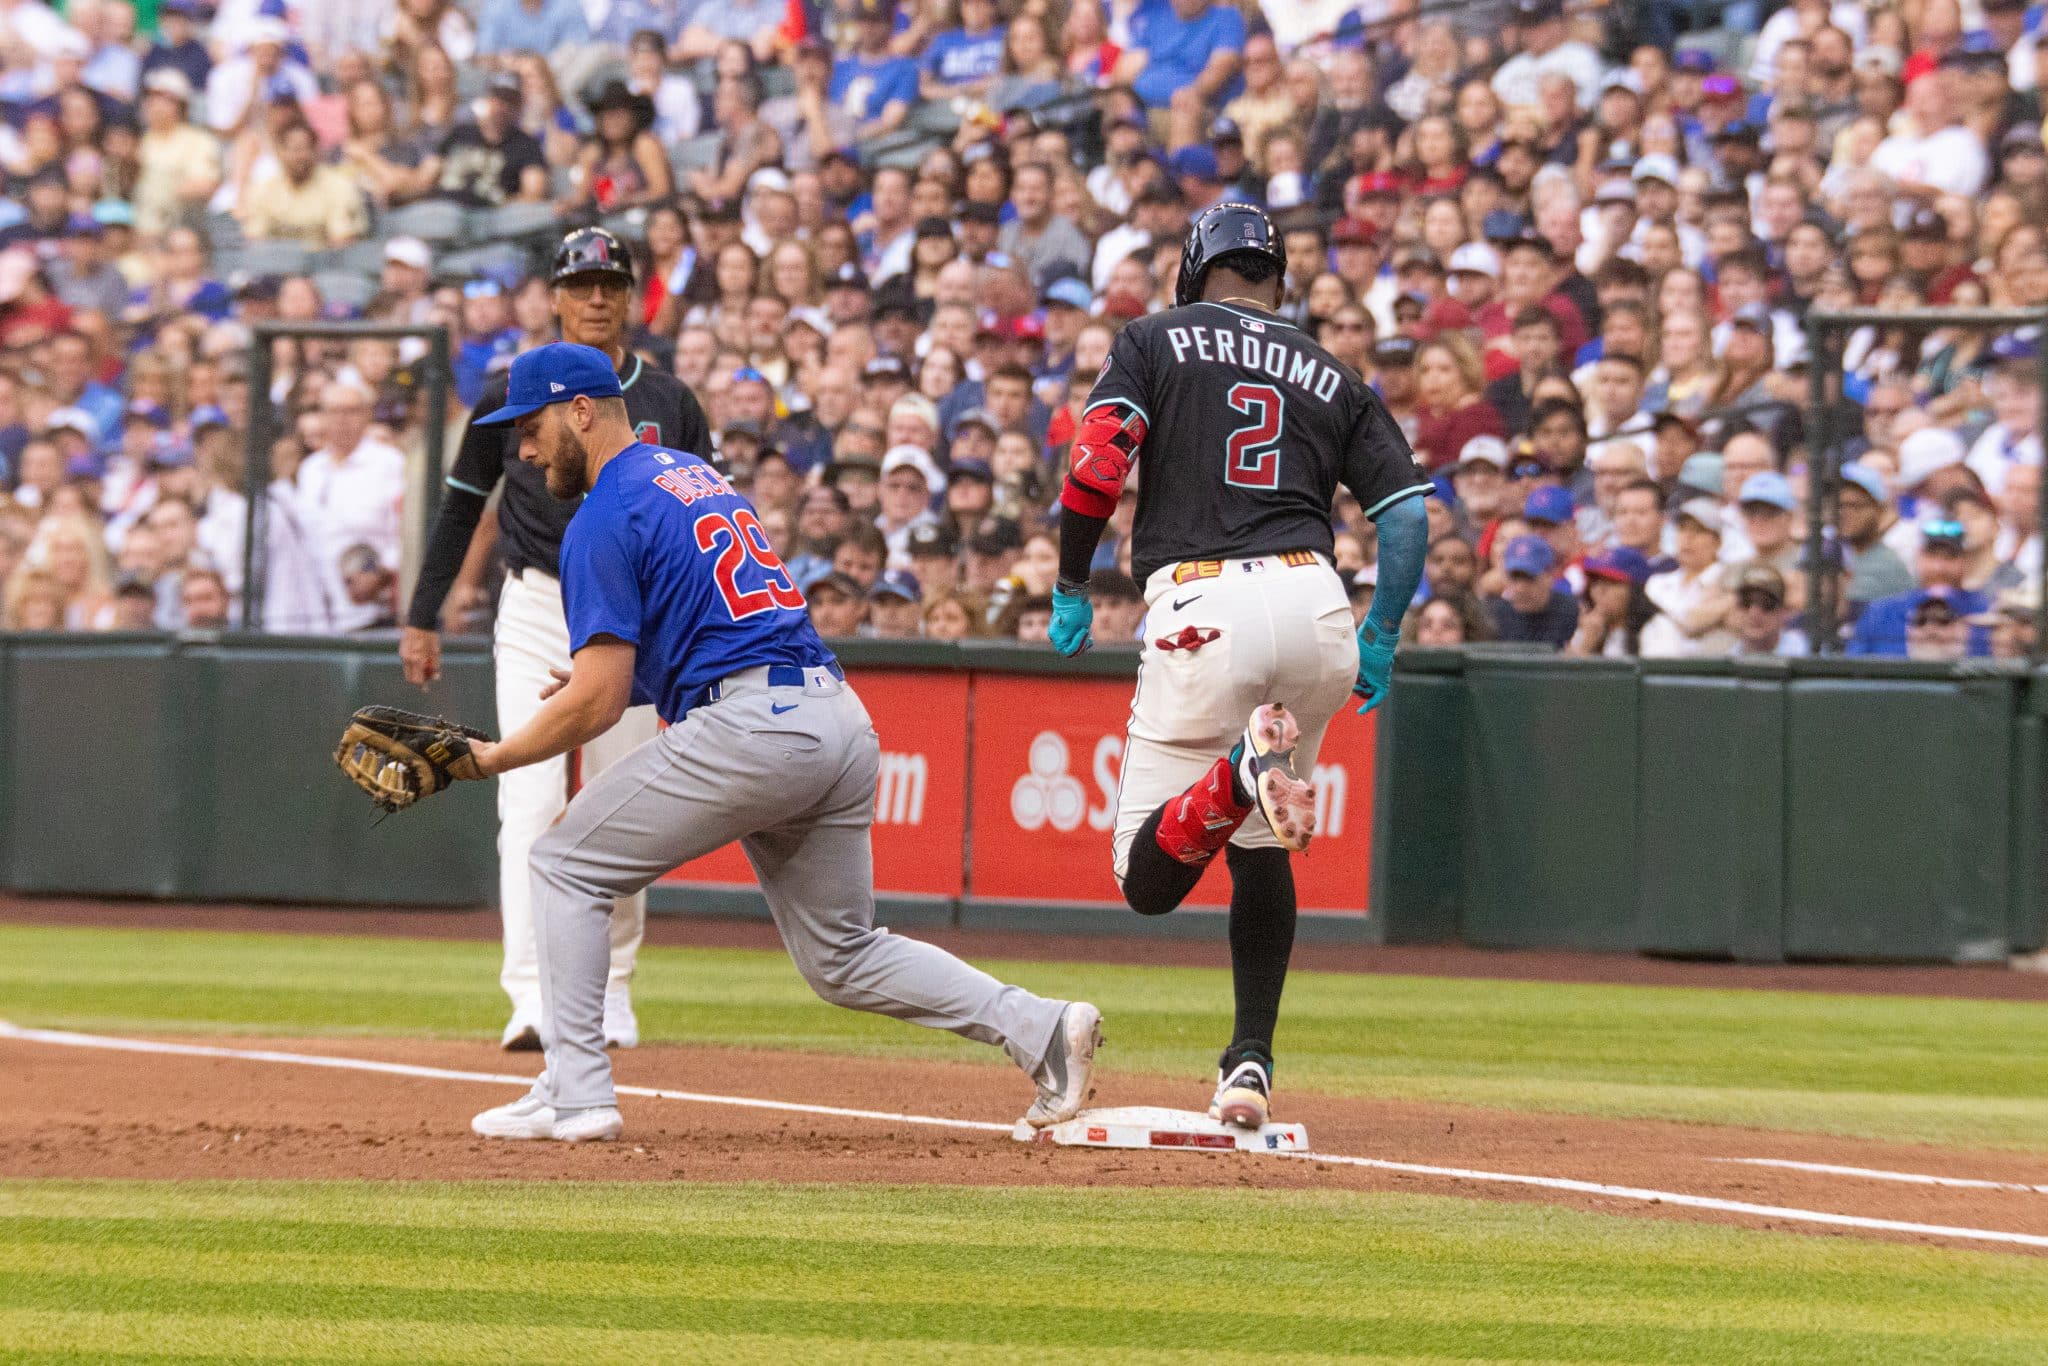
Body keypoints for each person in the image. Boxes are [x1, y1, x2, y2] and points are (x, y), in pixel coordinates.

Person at [462, 342, 1103, 1143]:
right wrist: (629, 685)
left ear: (580, 411)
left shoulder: (601, 512)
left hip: (754, 729)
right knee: (842, 955)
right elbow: (710, 629)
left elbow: (591, 705)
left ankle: (575, 1091)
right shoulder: (691, 479)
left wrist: (491, 757)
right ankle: (1043, 1028)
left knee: (563, 863)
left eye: (529, 427)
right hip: (835, 717)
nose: (520, 450)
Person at [1047, 203, 1429, 1131]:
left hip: (1203, 601)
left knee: (1146, 881)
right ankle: (1249, 1064)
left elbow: (1098, 468)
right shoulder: (1332, 370)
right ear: (1277, 277)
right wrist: (1378, 635)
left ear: (1193, 267)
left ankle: (1234, 774)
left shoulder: (1153, 338)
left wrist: (1070, 575)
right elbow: (1410, 518)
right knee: (1262, 849)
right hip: (1314, 602)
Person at [402, 229, 711, 1053]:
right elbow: (464, 502)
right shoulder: (513, 391)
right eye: (582, 284)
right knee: (529, 802)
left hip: (638, 616)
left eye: (611, 282)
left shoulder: (668, 398)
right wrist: (423, 611)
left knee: (627, 802)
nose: (598, 297)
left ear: (633, 294)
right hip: (540, 601)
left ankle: (610, 990)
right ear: (555, 296)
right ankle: (533, 995)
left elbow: (701, 515)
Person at [1486, 535, 1579, 647]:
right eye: (1515, 577)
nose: (1521, 588)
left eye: (1529, 577)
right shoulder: (1493, 616)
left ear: (1550, 575)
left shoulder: (1571, 614)